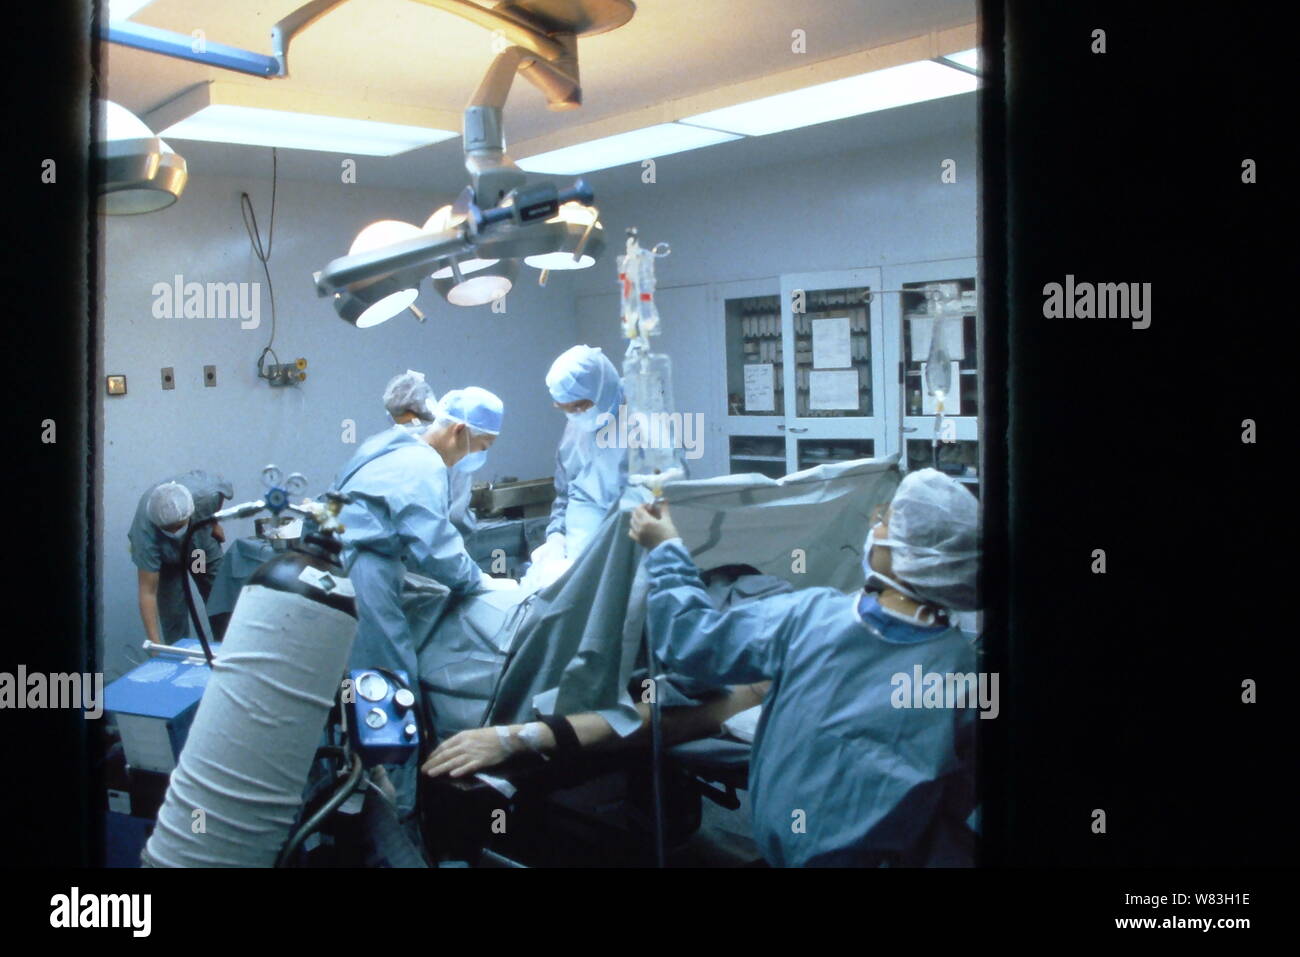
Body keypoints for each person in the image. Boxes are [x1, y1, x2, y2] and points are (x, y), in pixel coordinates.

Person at [627, 468, 981, 867]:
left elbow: (693, 643)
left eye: (885, 521)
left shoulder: (811, 618)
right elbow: (963, 797)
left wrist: (666, 551)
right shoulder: (966, 671)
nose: (874, 524)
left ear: (908, 556)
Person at [337, 370, 477, 538]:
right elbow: (456, 517)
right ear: (429, 404)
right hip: (417, 551)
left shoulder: (377, 444)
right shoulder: (448, 446)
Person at [537, 345, 628, 565]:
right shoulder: (575, 432)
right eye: (564, 409)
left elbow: (667, 496)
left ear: (602, 388)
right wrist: (556, 536)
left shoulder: (648, 420)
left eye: (578, 406)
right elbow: (564, 494)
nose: (574, 415)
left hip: (637, 534)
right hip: (584, 537)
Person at [129, 471, 233, 645]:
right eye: (168, 529)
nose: (174, 533)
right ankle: (177, 656)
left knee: (217, 597)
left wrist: (213, 522)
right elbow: (148, 592)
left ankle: (227, 651)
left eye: (178, 527)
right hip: (167, 561)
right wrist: (155, 644)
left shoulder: (206, 495)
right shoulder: (144, 535)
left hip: (197, 551)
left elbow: (219, 496)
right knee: (173, 613)